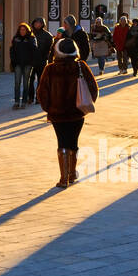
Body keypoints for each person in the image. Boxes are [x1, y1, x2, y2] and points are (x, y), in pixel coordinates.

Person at [37, 37, 100, 188]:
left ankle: (63, 178)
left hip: (57, 114)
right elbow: (93, 88)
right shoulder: (80, 65)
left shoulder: (50, 68)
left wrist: (49, 108)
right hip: (77, 113)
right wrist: (86, 104)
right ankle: (72, 174)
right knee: (73, 142)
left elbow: (41, 93)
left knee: (62, 142)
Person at [9, 23, 38, 109]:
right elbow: (12, 50)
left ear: (27, 30)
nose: (22, 31)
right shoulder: (15, 39)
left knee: (26, 83)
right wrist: (13, 61)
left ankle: (24, 101)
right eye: (21, 29)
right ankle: (17, 102)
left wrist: (28, 40)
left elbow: (34, 50)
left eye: (24, 30)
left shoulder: (32, 38)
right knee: (17, 83)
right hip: (18, 64)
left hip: (28, 64)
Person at [29, 17, 54, 104]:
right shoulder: (30, 34)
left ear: (43, 24)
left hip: (42, 61)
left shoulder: (48, 35)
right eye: (36, 23)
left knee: (41, 80)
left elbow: (49, 49)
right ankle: (30, 97)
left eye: (39, 23)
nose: (37, 24)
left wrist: (45, 57)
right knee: (30, 80)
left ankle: (38, 97)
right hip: (31, 61)